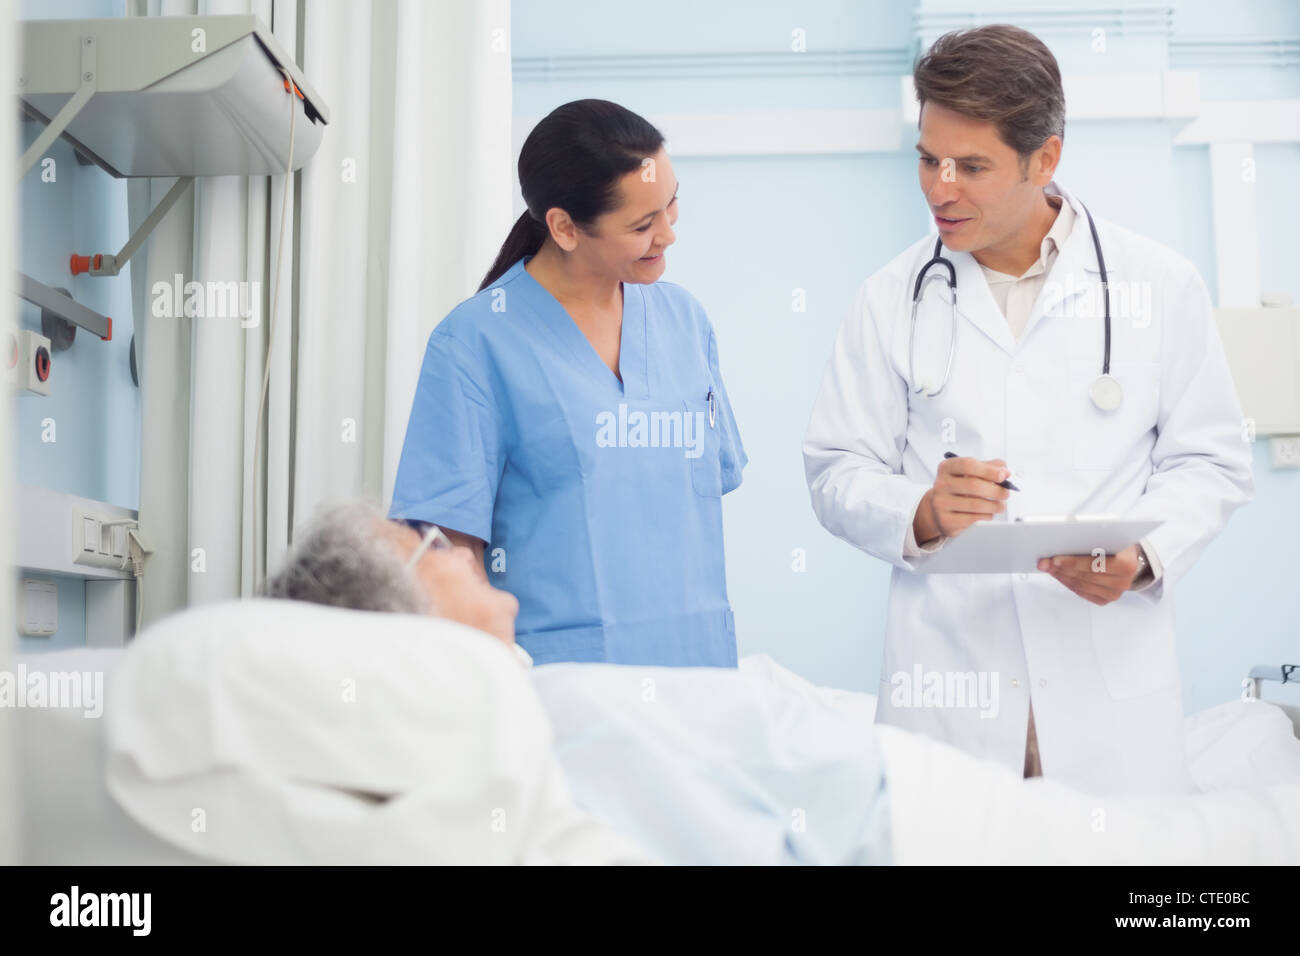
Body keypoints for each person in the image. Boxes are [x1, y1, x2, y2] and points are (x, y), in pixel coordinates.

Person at [802, 25, 1253, 795]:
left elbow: (1210, 459)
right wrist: (920, 510)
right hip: (947, 688)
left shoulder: (1158, 285)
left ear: (1044, 159)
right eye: (927, 158)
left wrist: (1143, 558)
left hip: (1107, 689)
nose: (940, 188)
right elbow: (835, 469)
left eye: (971, 166)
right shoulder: (889, 299)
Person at [264, 501, 893, 866]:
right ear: (394, 619)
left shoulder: (548, 704)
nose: (460, 551)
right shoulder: (548, 735)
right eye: (428, 545)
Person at [388, 99, 746, 667]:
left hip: (699, 669)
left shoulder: (685, 322)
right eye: (642, 224)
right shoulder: (475, 344)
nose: (668, 235)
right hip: (564, 682)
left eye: (671, 205)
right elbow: (446, 555)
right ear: (564, 227)